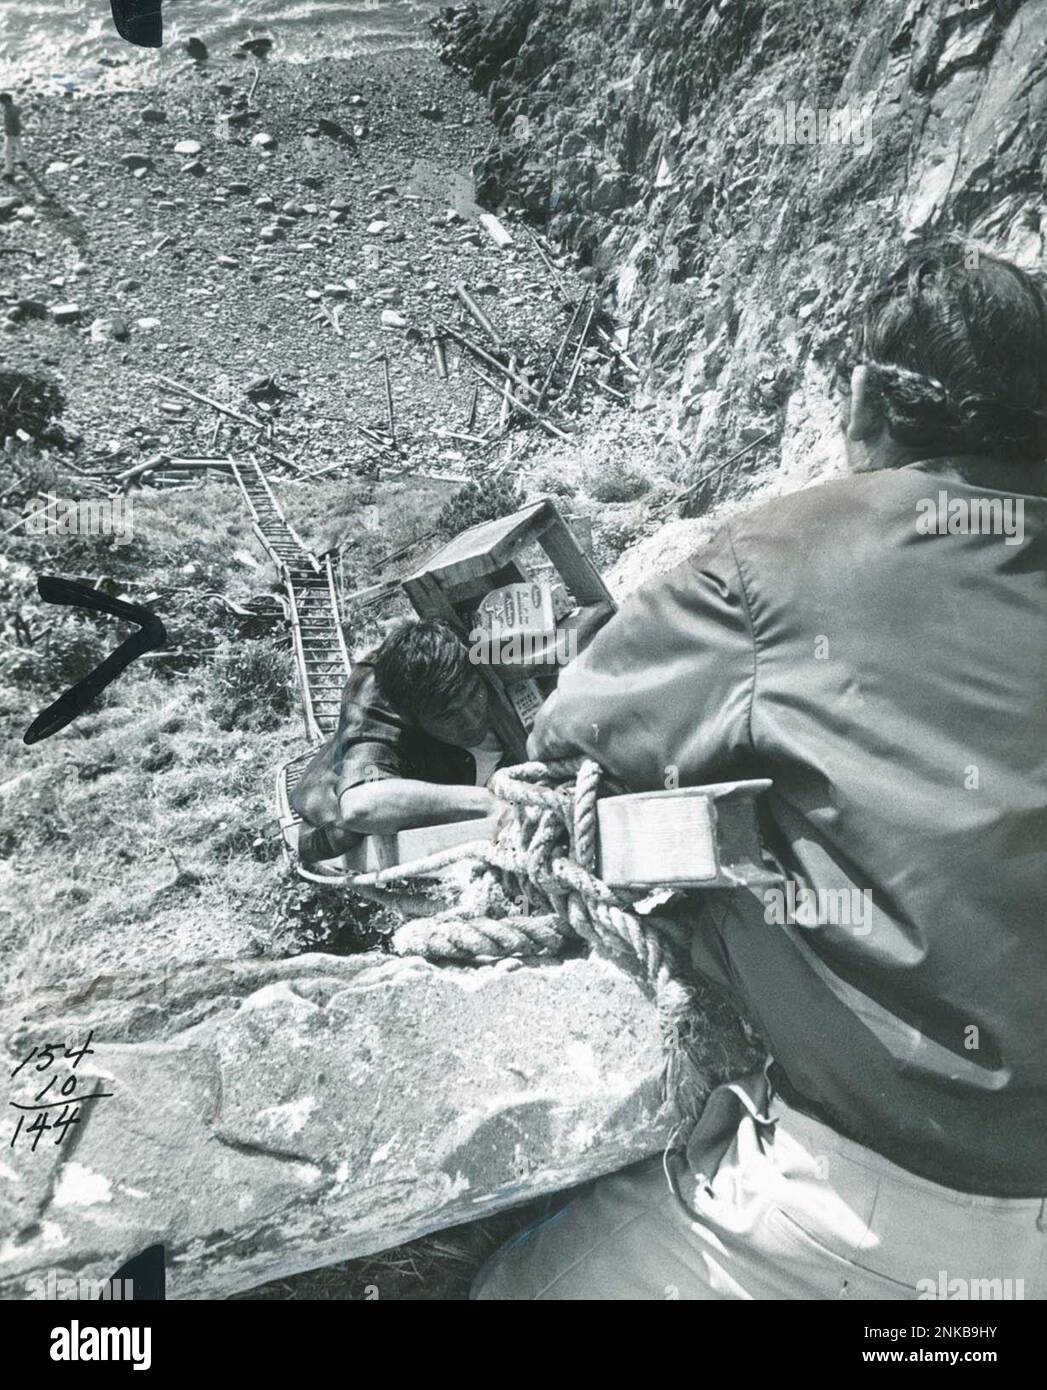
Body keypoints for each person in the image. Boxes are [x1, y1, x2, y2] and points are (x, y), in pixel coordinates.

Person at [473, 238, 1047, 1299]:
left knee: (517, 1288)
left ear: (874, 404)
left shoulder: (783, 556)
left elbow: (573, 727)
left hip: (911, 1206)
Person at [291, 618, 503, 865]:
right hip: (331, 811)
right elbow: (362, 805)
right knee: (349, 832)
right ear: (410, 719)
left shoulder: (473, 652)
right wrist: (486, 802)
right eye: (448, 715)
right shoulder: (378, 690)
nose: (472, 717)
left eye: (474, 694)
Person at [0, 93, 23, 181]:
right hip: (17, 130)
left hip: (10, 133)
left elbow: (9, 123)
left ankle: (8, 171)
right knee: (19, 145)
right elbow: (19, 111)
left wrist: (10, 132)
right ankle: (23, 159)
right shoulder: (14, 107)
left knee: (7, 152)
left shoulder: (7, 109)